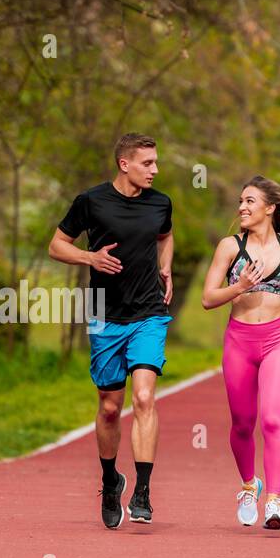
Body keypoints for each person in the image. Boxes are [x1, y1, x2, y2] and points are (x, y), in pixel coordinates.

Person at [48, 133, 173, 529]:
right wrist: (90, 257)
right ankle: (109, 480)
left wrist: (165, 266)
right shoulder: (91, 201)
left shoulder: (161, 203)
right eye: (147, 163)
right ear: (124, 164)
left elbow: (165, 235)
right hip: (104, 316)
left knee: (144, 397)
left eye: (155, 162)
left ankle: (143, 491)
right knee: (109, 407)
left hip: (149, 313)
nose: (155, 170)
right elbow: (56, 245)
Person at [200, 176, 280, 529]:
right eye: (241, 201)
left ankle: (274, 501)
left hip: (278, 339)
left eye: (249, 201)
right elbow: (207, 298)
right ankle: (250, 485)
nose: (242, 207)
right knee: (243, 424)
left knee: (272, 419)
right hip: (239, 342)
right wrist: (240, 286)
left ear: (269, 208)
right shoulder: (230, 247)